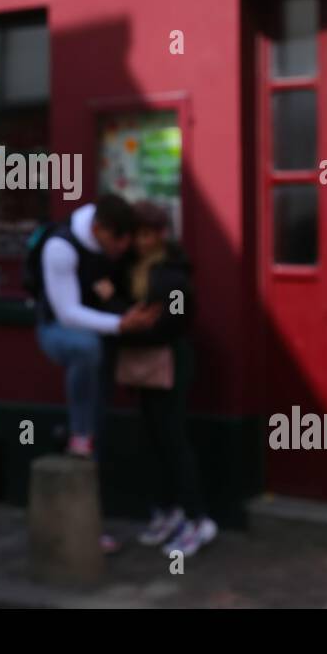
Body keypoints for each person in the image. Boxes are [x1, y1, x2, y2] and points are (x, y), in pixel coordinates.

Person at [120, 200, 217, 557]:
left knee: (174, 440)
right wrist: (129, 324)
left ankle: (198, 520)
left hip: (170, 361)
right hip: (143, 362)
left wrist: (131, 329)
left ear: (161, 235)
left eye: (148, 235)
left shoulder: (173, 274)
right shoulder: (131, 268)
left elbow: (174, 320)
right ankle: (168, 512)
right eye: (137, 235)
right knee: (152, 440)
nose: (141, 242)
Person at [34, 194, 159, 458]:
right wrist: (121, 323)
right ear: (97, 230)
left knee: (101, 398)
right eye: (117, 243)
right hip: (57, 328)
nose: (122, 249)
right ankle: (80, 435)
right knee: (86, 348)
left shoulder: (113, 227)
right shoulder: (61, 246)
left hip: (108, 330)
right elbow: (66, 313)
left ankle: (90, 444)